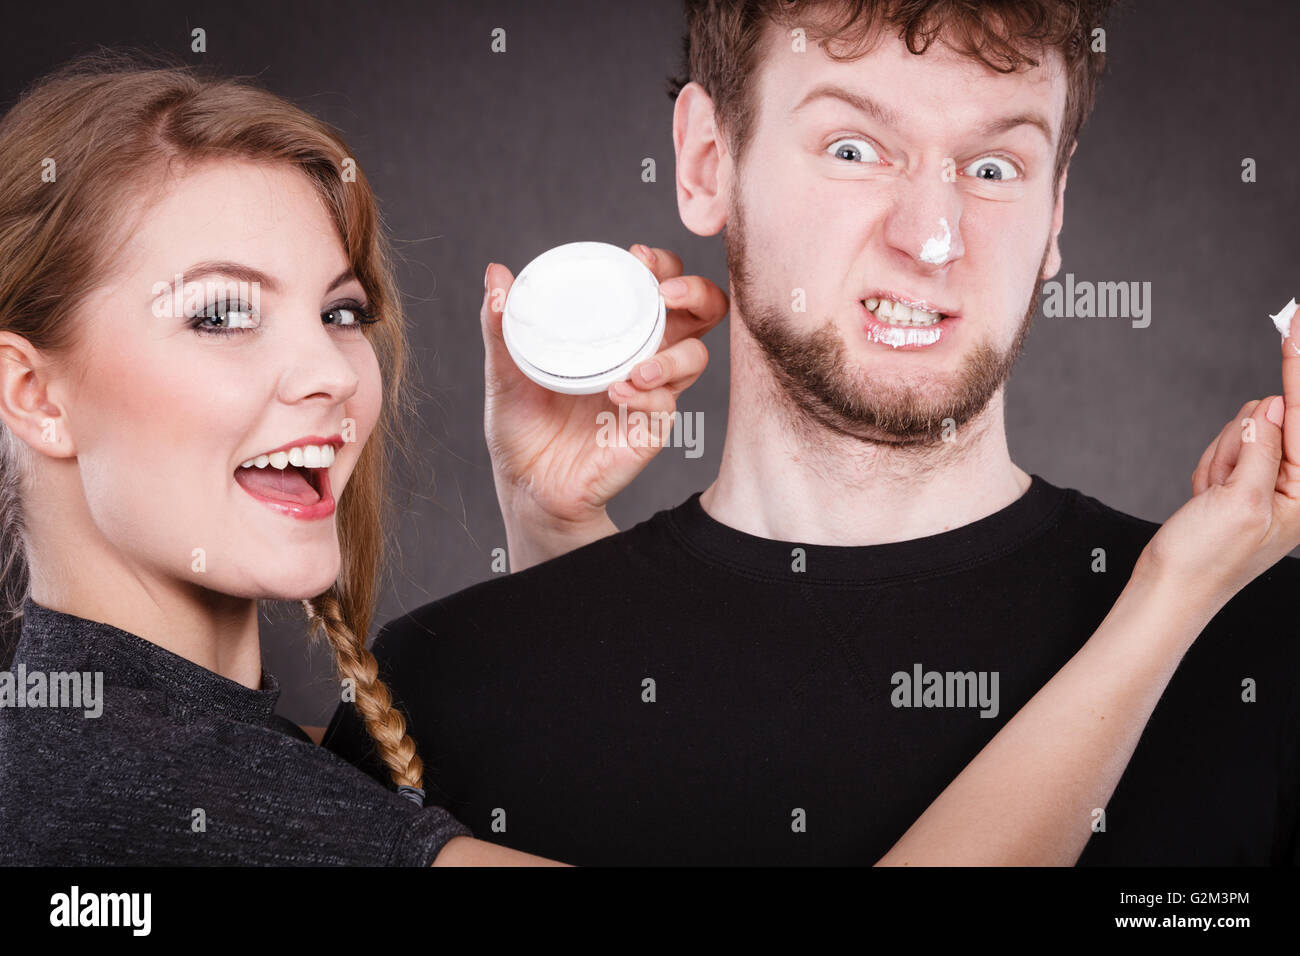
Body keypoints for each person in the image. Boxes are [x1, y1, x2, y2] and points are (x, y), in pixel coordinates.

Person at [325, 0, 1300, 865]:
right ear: (709, 160)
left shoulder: (1266, 648)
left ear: (1056, 210)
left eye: (994, 164)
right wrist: (557, 580)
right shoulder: (433, 692)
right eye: (853, 148)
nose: (931, 236)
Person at [0, 53, 713, 866]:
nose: (335, 374)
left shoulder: (125, 746)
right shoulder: (149, 793)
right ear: (34, 393)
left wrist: (545, 520)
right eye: (222, 316)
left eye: (341, 312)